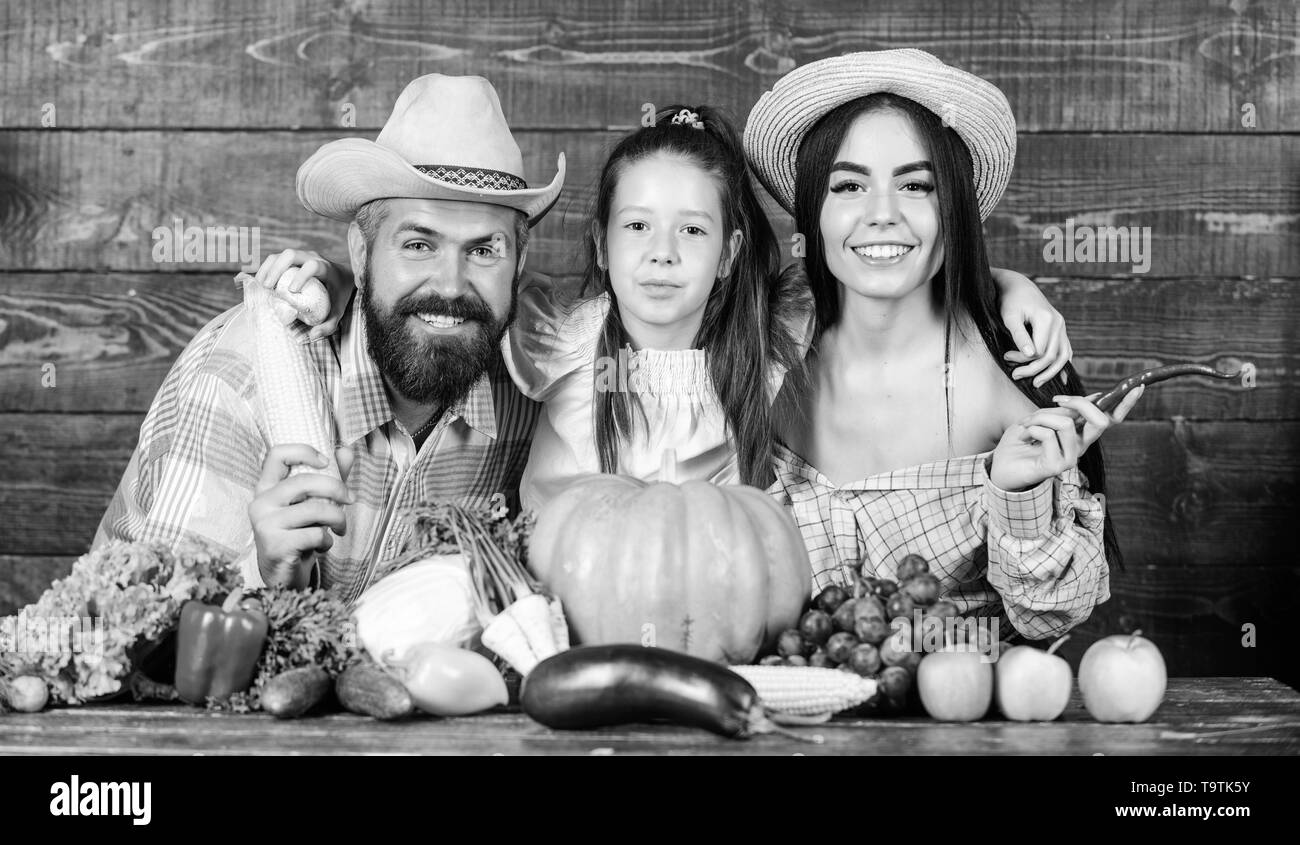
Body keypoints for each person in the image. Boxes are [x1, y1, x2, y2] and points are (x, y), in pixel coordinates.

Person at [260, 107, 1070, 510]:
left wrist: (1003, 287)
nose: (661, 254)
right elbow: (452, 288)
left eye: (691, 231)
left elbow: (876, 270)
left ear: (726, 257)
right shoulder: (559, 336)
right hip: (569, 610)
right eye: (638, 227)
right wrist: (337, 280)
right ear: (603, 247)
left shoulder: (770, 332)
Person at [93, 74, 564, 601]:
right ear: (361, 254)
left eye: (483, 251)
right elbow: (153, 633)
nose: (451, 286)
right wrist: (268, 575)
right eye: (417, 244)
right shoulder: (246, 368)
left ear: (519, 265)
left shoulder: (537, 389)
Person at [744, 49, 1143, 640]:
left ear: (951, 210)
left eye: (916, 186)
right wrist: (1010, 281)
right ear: (813, 213)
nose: (882, 214)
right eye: (849, 185)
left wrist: (1019, 491)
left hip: (955, 720)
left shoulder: (1016, 379)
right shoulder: (764, 342)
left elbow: (1046, 619)